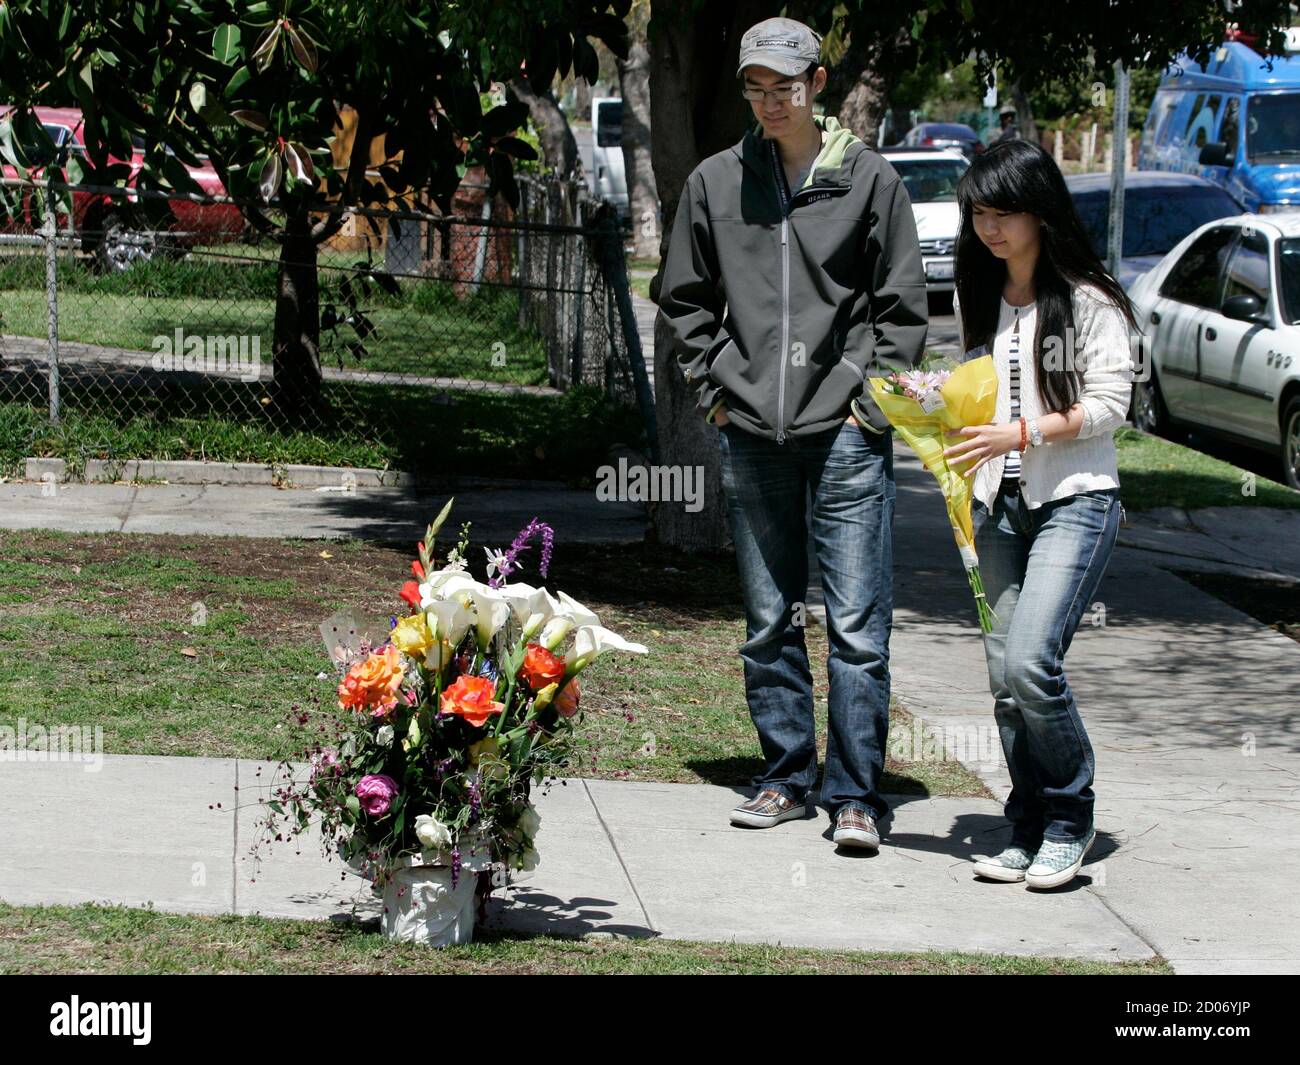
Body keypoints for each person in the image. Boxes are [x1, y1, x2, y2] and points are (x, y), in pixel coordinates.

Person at [657, 16, 927, 850]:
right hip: (752, 433)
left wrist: (866, 407)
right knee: (769, 617)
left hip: (844, 434)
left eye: (784, 86)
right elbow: (685, 300)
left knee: (855, 625)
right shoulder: (716, 183)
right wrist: (717, 391)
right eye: (756, 87)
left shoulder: (870, 182)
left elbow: (901, 310)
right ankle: (783, 775)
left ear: (817, 85)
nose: (769, 101)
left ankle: (855, 794)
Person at [944, 138, 1137, 889]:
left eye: (1002, 212)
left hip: (1075, 501)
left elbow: (1112, 403)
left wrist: (1022, 432)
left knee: (1031, 662)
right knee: (1002, 677)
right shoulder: (983, 292)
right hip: (997, 505)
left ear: (1039, 208)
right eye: (979, 214)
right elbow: (976, 392)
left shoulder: (1088, 297)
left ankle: (1070, 813)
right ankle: (1024, 825)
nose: (989, 228)